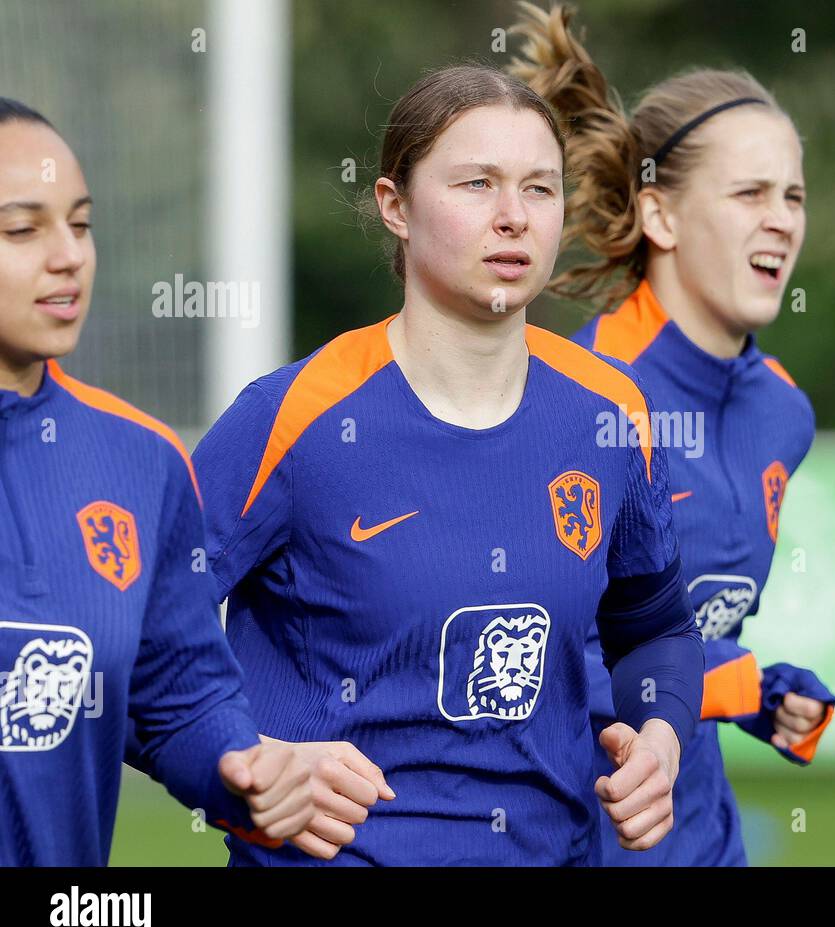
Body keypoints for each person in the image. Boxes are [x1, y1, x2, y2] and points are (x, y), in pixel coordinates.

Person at [190, 62, 705, 865]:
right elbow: (137, 642)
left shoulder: (614, 414)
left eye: (539, 189)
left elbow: (655, 631)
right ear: (395, 207)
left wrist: (663, 736)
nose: (513, 217)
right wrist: (249, 759)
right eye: (476, 184)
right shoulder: (291, 419)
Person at [508, 2, 835, 866]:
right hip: (566, 839)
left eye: (794, 195)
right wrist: (735, 681)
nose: (783, 220)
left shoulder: (784, 411)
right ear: (660, 218)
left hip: (698, 838)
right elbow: (542, 651)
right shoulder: (580, 400)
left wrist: (758, 699)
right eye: (750, 194)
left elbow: (691, 635)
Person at [0, 97, 323, 865]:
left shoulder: (140, 461)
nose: (69, 255)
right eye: (22, 229)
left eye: (79, 224)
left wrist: (242, 767)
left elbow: (180, 696)